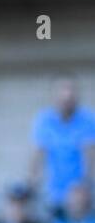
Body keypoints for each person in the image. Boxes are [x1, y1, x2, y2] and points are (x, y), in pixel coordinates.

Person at [30, 77, 95, 213]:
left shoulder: (87, 119)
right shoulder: (44, 120)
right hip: (54, 194)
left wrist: (86, 188)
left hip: (81, 195)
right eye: (62, 90)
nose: (67, 95)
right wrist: (32, 187)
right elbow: (37, 157)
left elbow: (90, 157)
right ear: (54, 95)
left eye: (70, 90)